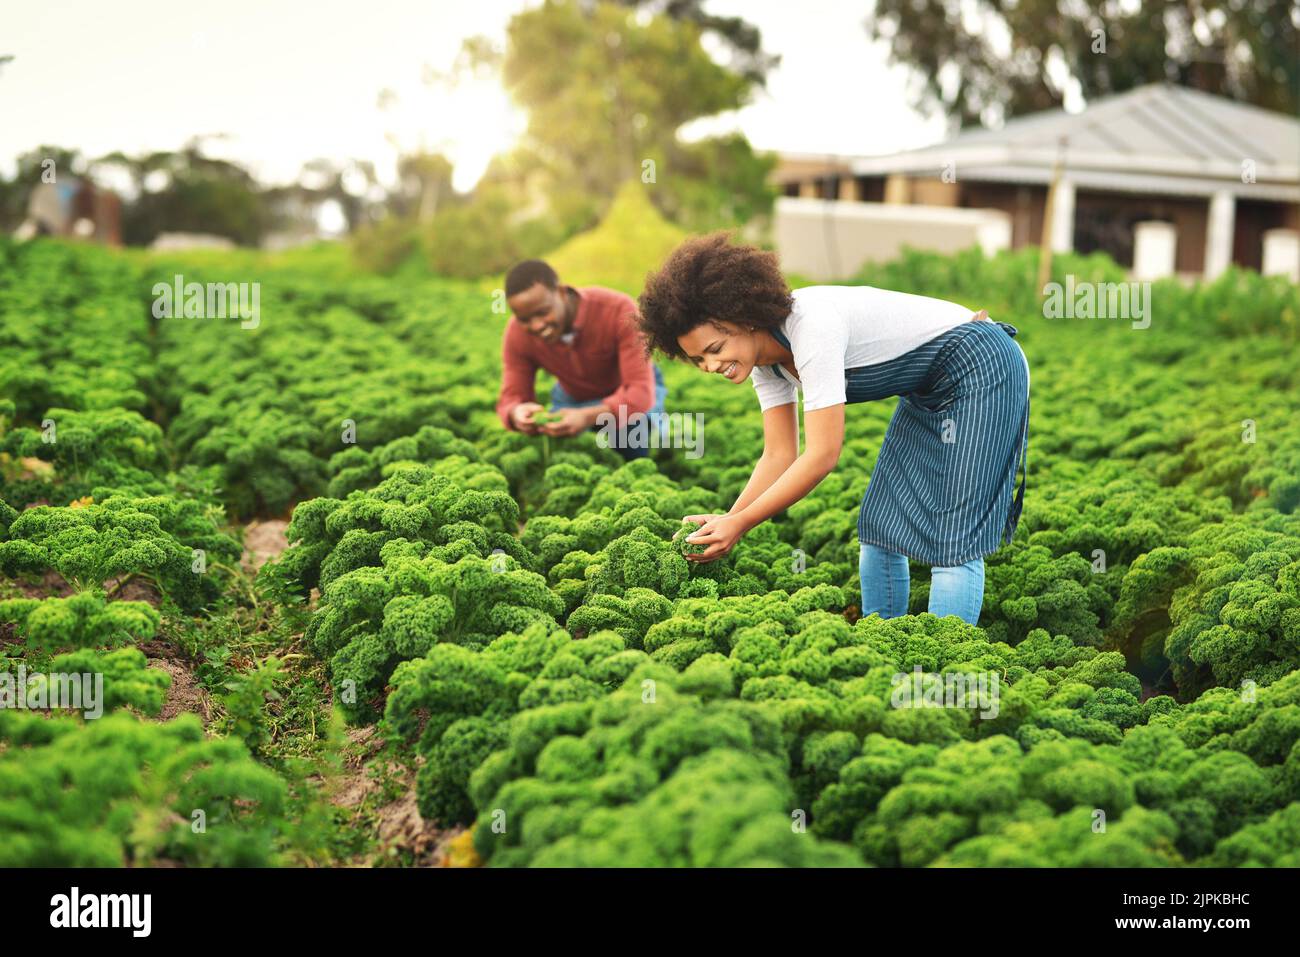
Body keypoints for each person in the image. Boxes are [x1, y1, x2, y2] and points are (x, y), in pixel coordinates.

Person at [635, 233, 1029, 625]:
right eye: (697, 359)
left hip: (982, 365)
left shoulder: (810, 326)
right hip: (929, 388)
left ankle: (948, 662)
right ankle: (884, 639)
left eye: (715, 349)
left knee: (953, 534)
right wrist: (729, 518)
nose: (709, 365)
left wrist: (741, 525)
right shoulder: (766, 363)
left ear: (746, 319)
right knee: (880, 525)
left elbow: (822, 455)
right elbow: (779, 455)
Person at [496, 259, 668, 461]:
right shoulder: (517, 334)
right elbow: (511, 398)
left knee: (630, 447)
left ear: (561, 292)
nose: (536, 326)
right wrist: (517, 413)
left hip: (631, 392)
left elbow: (639, 392)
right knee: (562, 454)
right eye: (524, 319)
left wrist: (587, 417)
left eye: (543, 312)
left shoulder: (617, 309)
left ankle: (656, 432)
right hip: (573, 396)